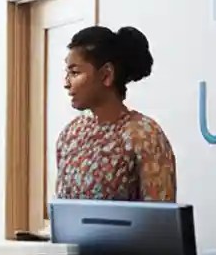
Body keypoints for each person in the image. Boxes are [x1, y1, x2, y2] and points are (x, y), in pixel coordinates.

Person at [56, 25, 177, 202]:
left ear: (106, 74)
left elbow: (160, 219)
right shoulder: (71, 134)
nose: (67, 83)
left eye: (75, 72)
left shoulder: (144, 135)